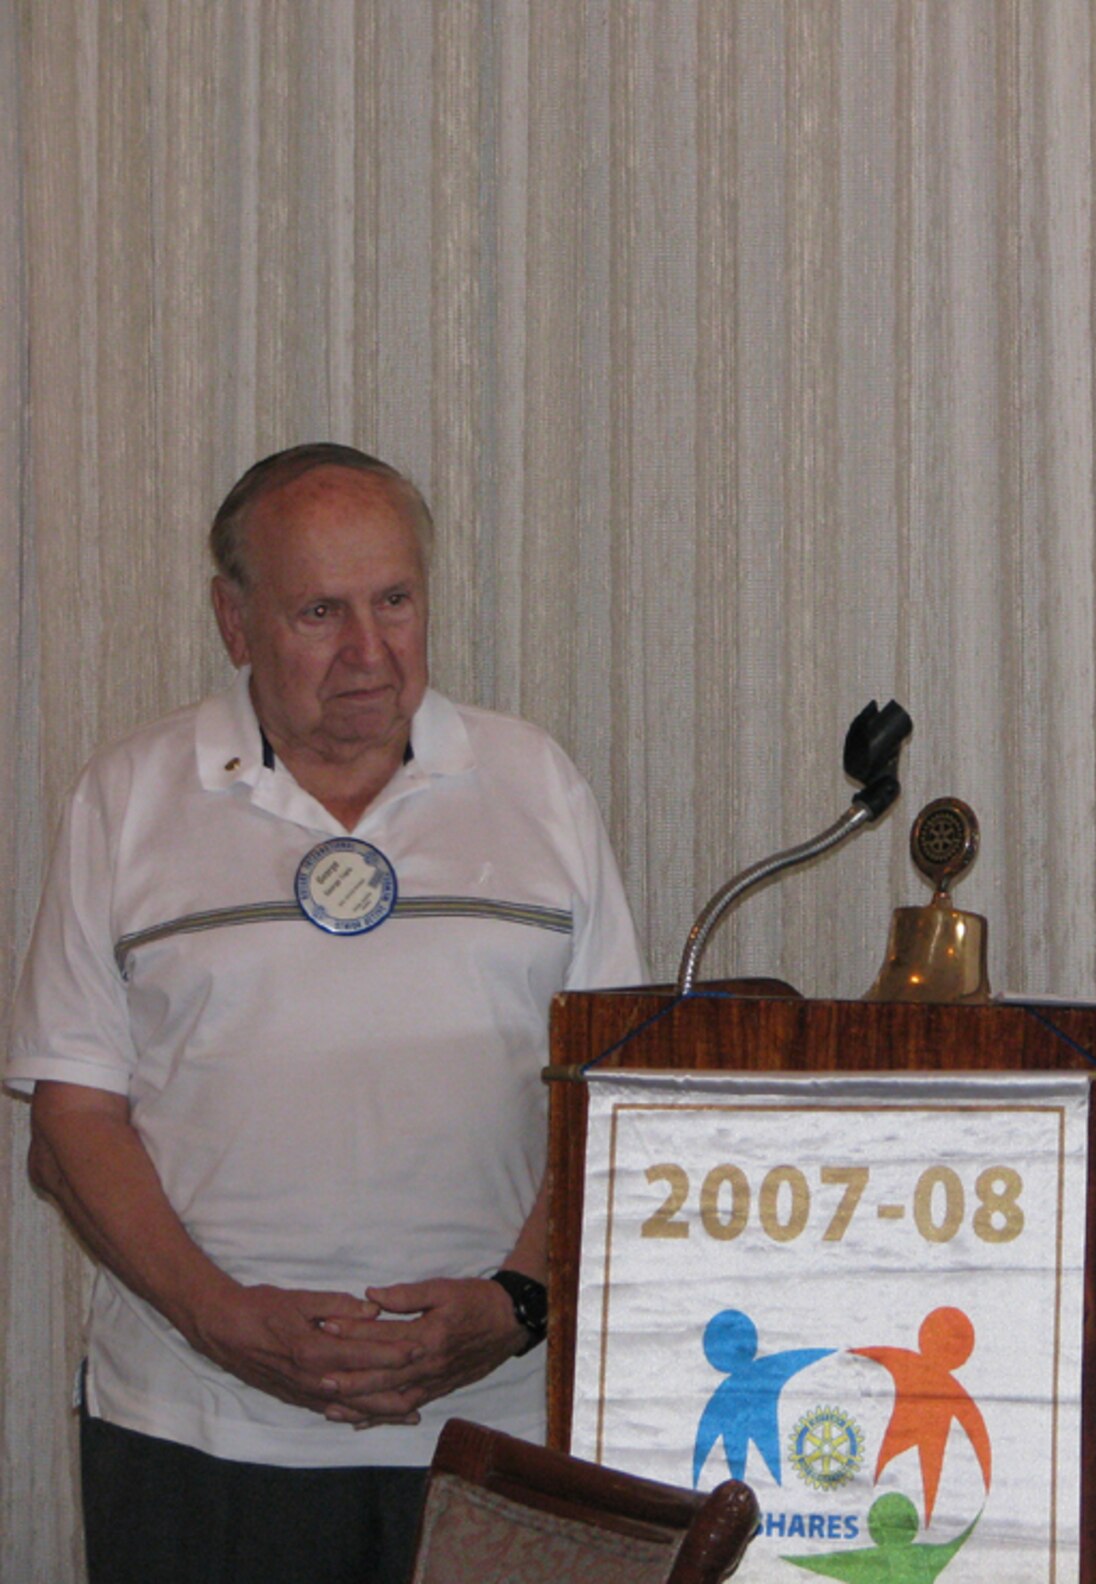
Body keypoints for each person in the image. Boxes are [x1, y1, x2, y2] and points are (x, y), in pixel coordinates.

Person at [8, 443, 647, 1583]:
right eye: (320, 611)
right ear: (234, 621)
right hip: (195, 1430)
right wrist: (218, 1319)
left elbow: (612, 1095)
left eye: (394, 601)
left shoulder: (536, 782)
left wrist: (516, 1303)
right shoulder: (128, 795)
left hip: (496, 1433)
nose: (369, 652)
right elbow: (71, 1116)